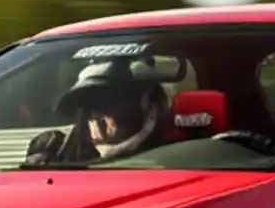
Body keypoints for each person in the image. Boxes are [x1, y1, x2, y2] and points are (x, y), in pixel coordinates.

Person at [22, 58, 171, 166]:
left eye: (107, 102)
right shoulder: (53, 150)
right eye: (88, 105)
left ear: (144, 103)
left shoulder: (175, 152)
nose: (94, 116)